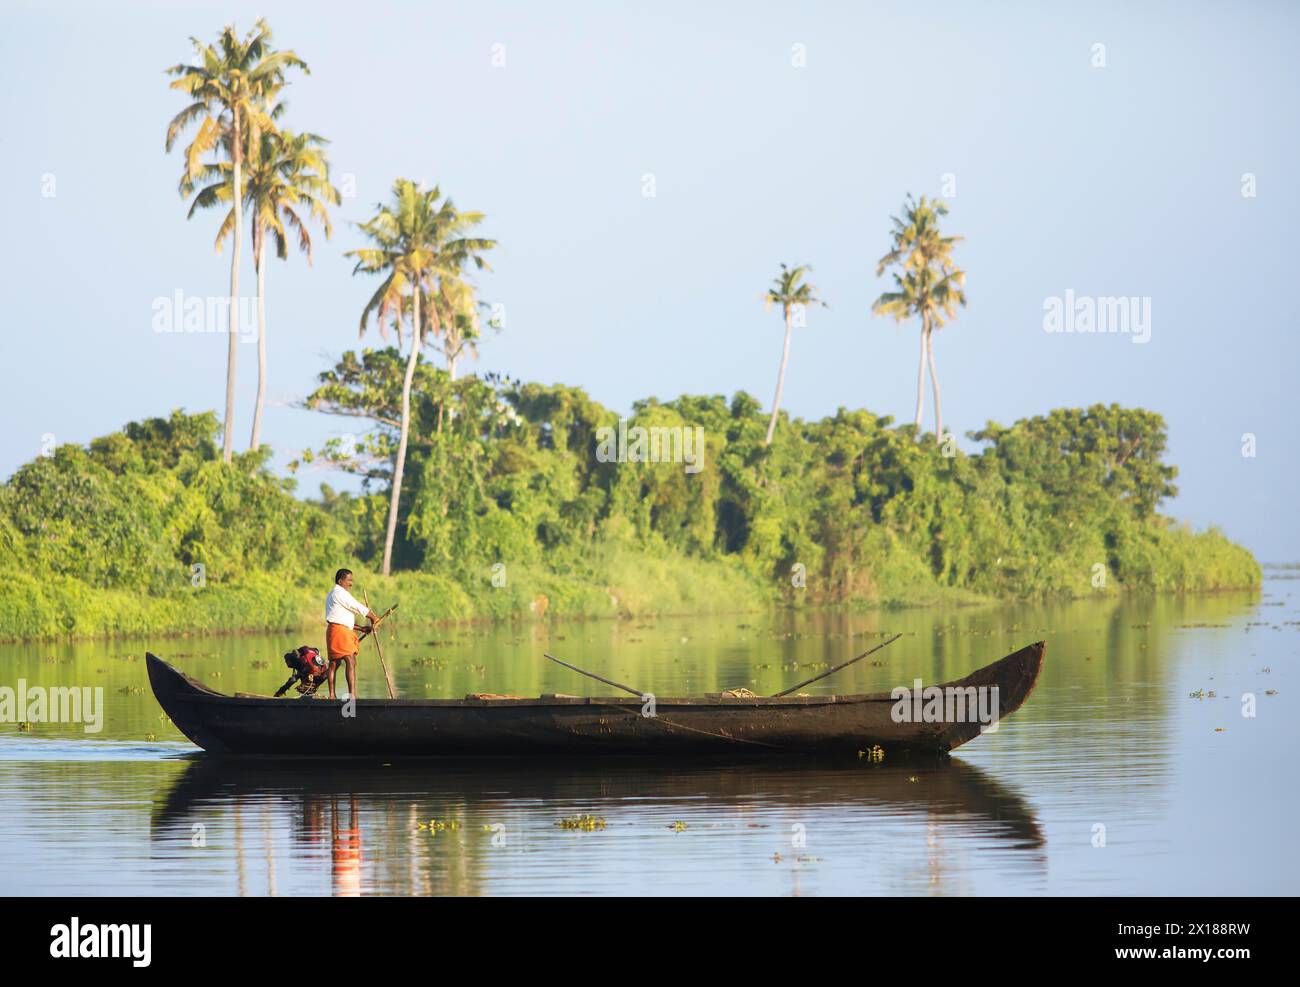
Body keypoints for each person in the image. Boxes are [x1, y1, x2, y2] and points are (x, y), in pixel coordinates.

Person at [325, 568, 379, 700]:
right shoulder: (340, 593)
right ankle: (352, 695)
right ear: (340, 581)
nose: (351, 583)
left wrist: (361, 629)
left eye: (352, 580)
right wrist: (373, 617)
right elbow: (356, 606)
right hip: (339, 632)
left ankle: (332, 695)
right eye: (348, 580)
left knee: (334, 664)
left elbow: (340, 617)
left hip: (335, 630)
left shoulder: (332, 593)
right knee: (350, 660)